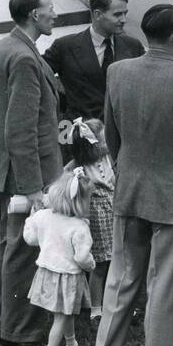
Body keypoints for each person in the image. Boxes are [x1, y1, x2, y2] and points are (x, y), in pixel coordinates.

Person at [94, 4, 173, 346]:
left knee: (120, 284)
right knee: (163, 290)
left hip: (130, 190)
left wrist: (124, 169)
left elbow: (111, 133)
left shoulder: (117, 72)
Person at [0, 0, 61, 346]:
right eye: (49, 8)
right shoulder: (26, 58)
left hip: (6, 167)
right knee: (25, 250)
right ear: (33, 14)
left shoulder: (6, 46)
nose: (55, 13)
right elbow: (21, 128)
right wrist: (32, 187)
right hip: (26, 172)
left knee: (9, 244)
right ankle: (21, 331)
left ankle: (3, 322)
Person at [42, 0, 144, 123]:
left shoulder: (133, 47)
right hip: (77, 134)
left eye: (125, 13)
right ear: (97, 15)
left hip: (119, 134)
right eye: (117, 14)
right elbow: (35, 78)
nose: (123, 19)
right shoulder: (65, 46)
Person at [23, 167, 96, 346]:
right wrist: (91, 264)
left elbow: (30, 239)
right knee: (62, 317)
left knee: (66, 312)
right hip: (68, 279)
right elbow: (81, 257)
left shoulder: (43, 217)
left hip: (47, 274)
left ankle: (71, 344)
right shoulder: (80, 227)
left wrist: (30, 219)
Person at [63, 117, 114, 317]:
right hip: (97, 216)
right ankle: (96, 309)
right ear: (88, 148)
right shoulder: (80, 165)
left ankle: (113, 302)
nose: (106, 145)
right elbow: (65, 176)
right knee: (99, 263)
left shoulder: (108, 157)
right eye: (101, 142)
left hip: (113, 213)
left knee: (114, 261)